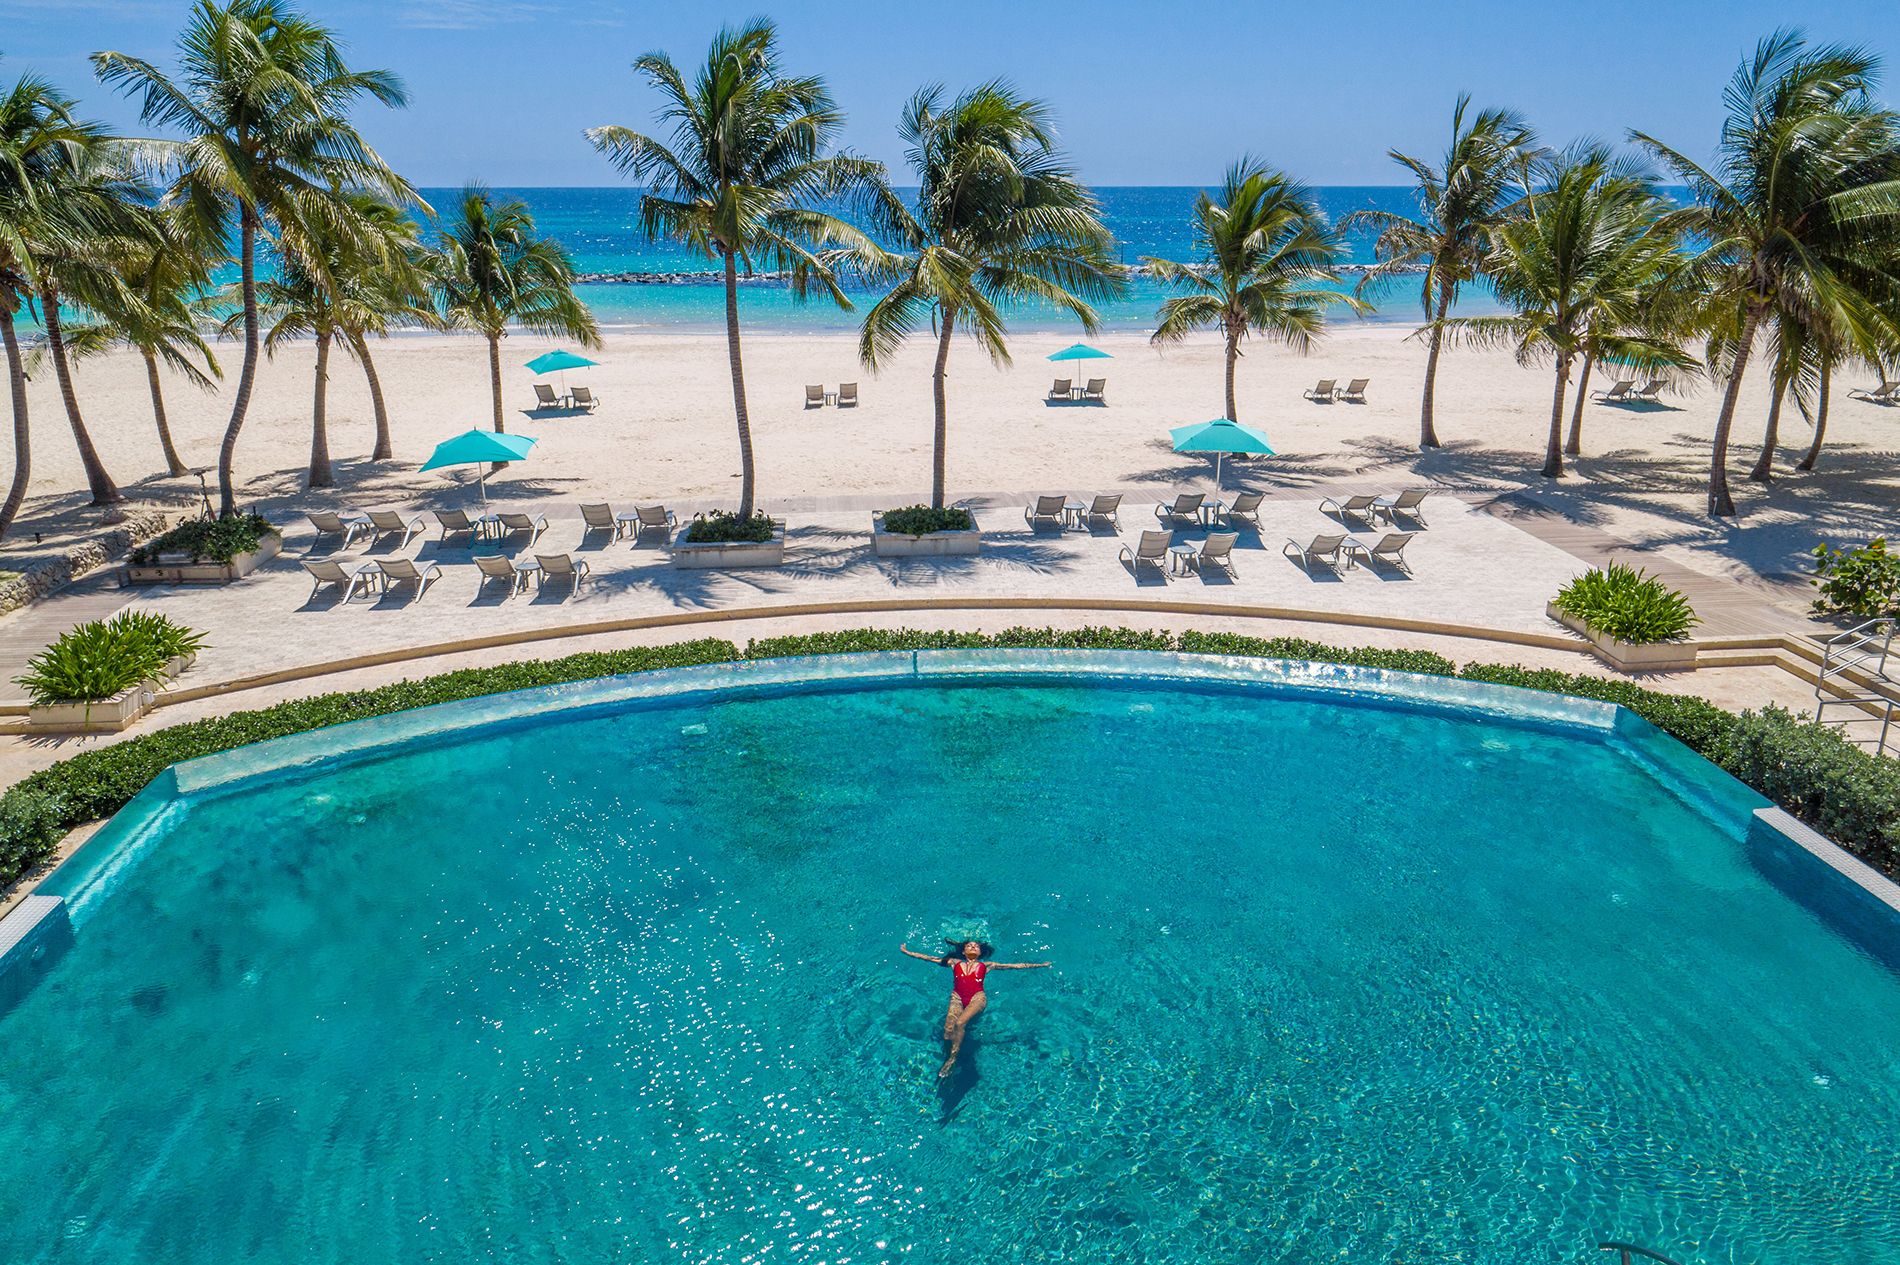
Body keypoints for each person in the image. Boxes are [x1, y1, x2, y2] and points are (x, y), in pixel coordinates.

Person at [900, 939, 1051, 1078]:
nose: (973, 946)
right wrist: (908, 952)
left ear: (980, 953)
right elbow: (930, 958)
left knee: (960, 1024)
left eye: (976, 946)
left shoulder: (987, 965)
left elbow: (1015, 966)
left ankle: (952, 1059)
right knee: (947, 1033)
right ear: (963, 952)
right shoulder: (954, 962)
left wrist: (1040, 965)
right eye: (969, 946)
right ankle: (949, 1055)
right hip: (957, 997)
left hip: (977, 998)